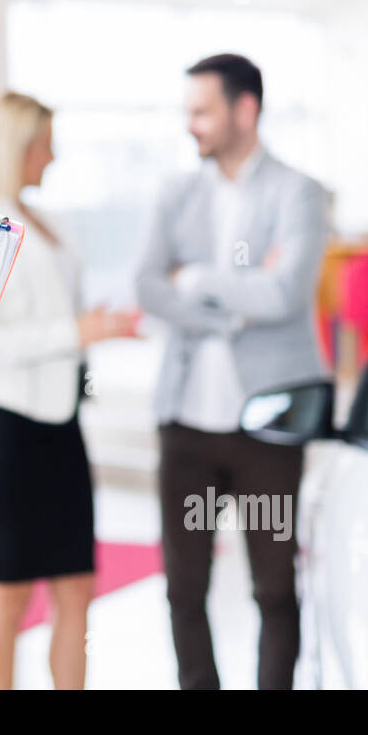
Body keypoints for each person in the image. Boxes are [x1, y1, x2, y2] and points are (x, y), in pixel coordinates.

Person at [0, 90, 139, 689]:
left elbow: (49, 311)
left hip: (60, 423)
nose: (54, 155)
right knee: (11, 589)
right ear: (14, 147)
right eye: (45, 143)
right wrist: (77, 331)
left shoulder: (41, 218)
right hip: (9, 429)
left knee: (78, 583)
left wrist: (86, 323)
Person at [134, 53, 328, 690]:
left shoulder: (297, 191)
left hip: (267, 426)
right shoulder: (175, 192)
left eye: (202, 111)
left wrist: (193, 278)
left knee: (273, 587)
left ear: (245, 110)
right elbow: (146, 287)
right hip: (186, 425)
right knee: (184, 588)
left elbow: (285, 295)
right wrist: (232, 307)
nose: (191, 124)